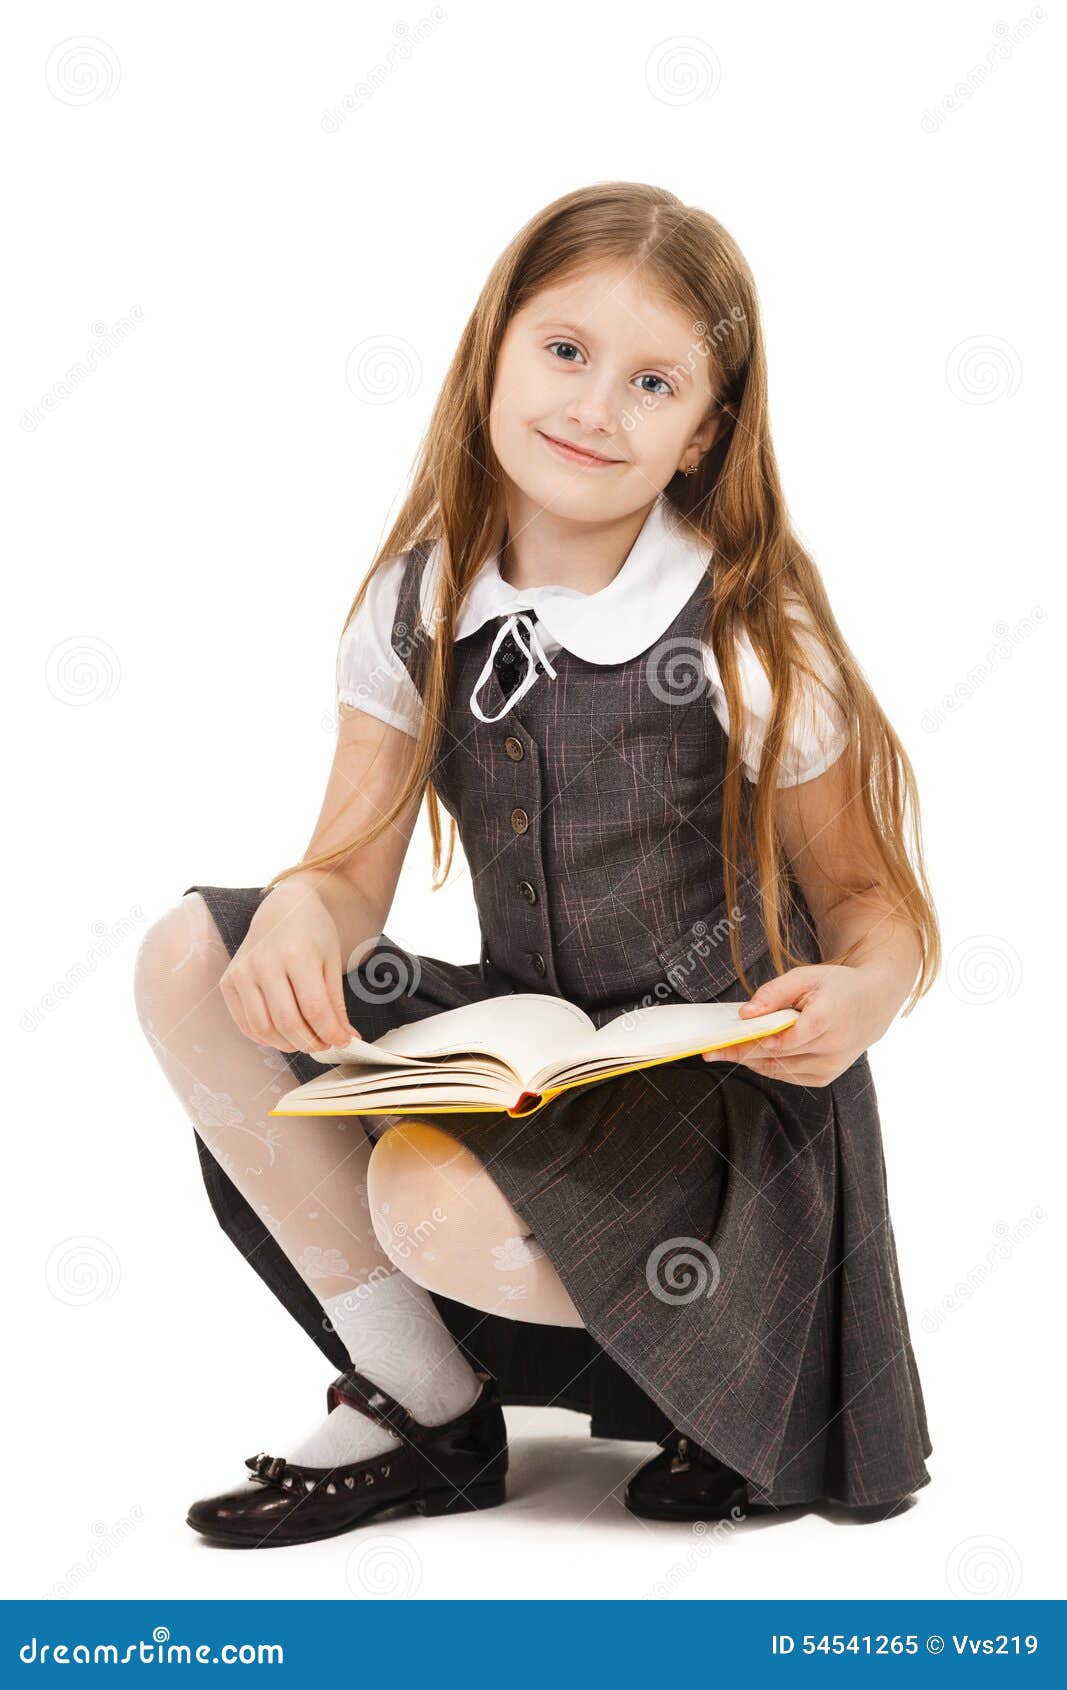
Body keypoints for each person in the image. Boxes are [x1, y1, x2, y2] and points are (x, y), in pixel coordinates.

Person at [134, 181, 938, 1548]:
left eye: (652, 383)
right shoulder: (422, 599)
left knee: (429, 1203)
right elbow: (345, 875)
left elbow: (872, 904)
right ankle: (424, 1403)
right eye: (566, 351)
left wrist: (860, 993)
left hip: (720, 1108)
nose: (594, 407)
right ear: (494, 352)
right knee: (187, 956)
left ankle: (722, 1368)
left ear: (703, 433)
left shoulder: (748, 626)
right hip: (533, 1055)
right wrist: (300, 917)